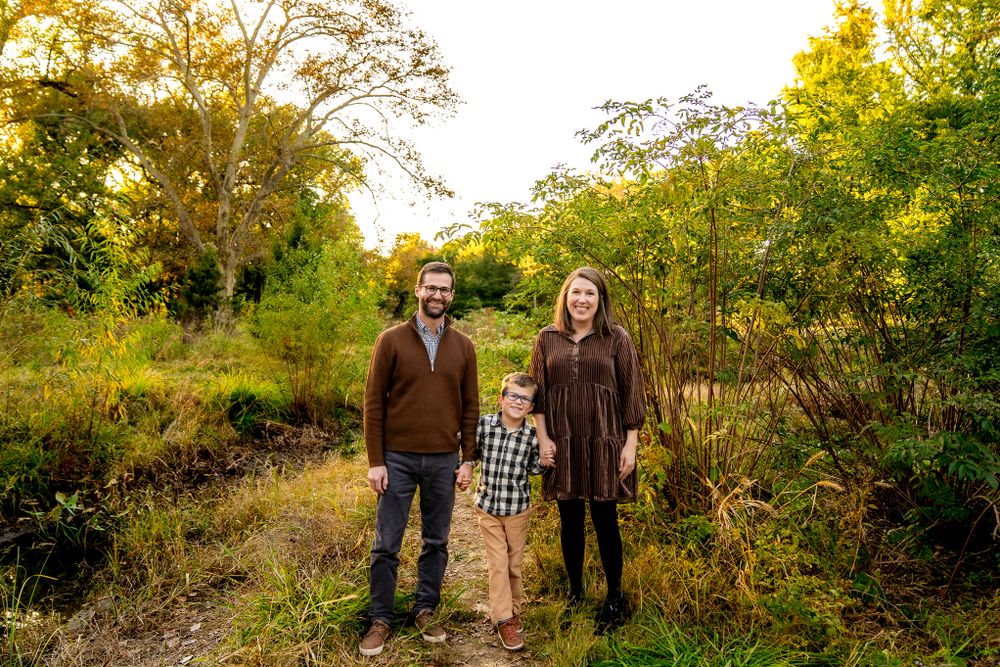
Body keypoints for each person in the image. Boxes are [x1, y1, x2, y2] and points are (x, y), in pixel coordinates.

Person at [359, 261, 479, 657]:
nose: (437, 295)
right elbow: (373, 403)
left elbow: (470, 407)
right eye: (431, 288)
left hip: (444, 460)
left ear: (452, 296)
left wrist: (468, 459)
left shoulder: (464, 346)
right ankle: (381, 618)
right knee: (386, 543)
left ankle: (425, 609)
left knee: (436, 541)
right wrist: (376, 460)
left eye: (444, 290)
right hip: (397, 459)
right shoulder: (390, 340)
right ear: (418, 290)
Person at [530, 266, 646, 632]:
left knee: (605, 520)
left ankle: (614, 597)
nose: (582, 300)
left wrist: (630, 444)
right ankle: (576, 594)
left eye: (590, 294)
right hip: (562, 441)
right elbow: (539, 395)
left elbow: (633, 393)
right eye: (576, 293)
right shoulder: (547, 338)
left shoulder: (616, 338)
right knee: (569, 520)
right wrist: (543, 438)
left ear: (600, 300)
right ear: (565, 297)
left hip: (605, 441)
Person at [473, 372, 542, 652]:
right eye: (513, 395)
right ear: (502, 399)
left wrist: (550, 458)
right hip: (488, 507)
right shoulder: (485, 425)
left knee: (514, 565)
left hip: (517, 510)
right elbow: (471, 453)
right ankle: (504, 619)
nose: (518, 401)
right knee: (498, 563)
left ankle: (511, 611)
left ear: (531, 407)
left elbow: (536, 468)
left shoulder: (532, 436)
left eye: (525, 399)